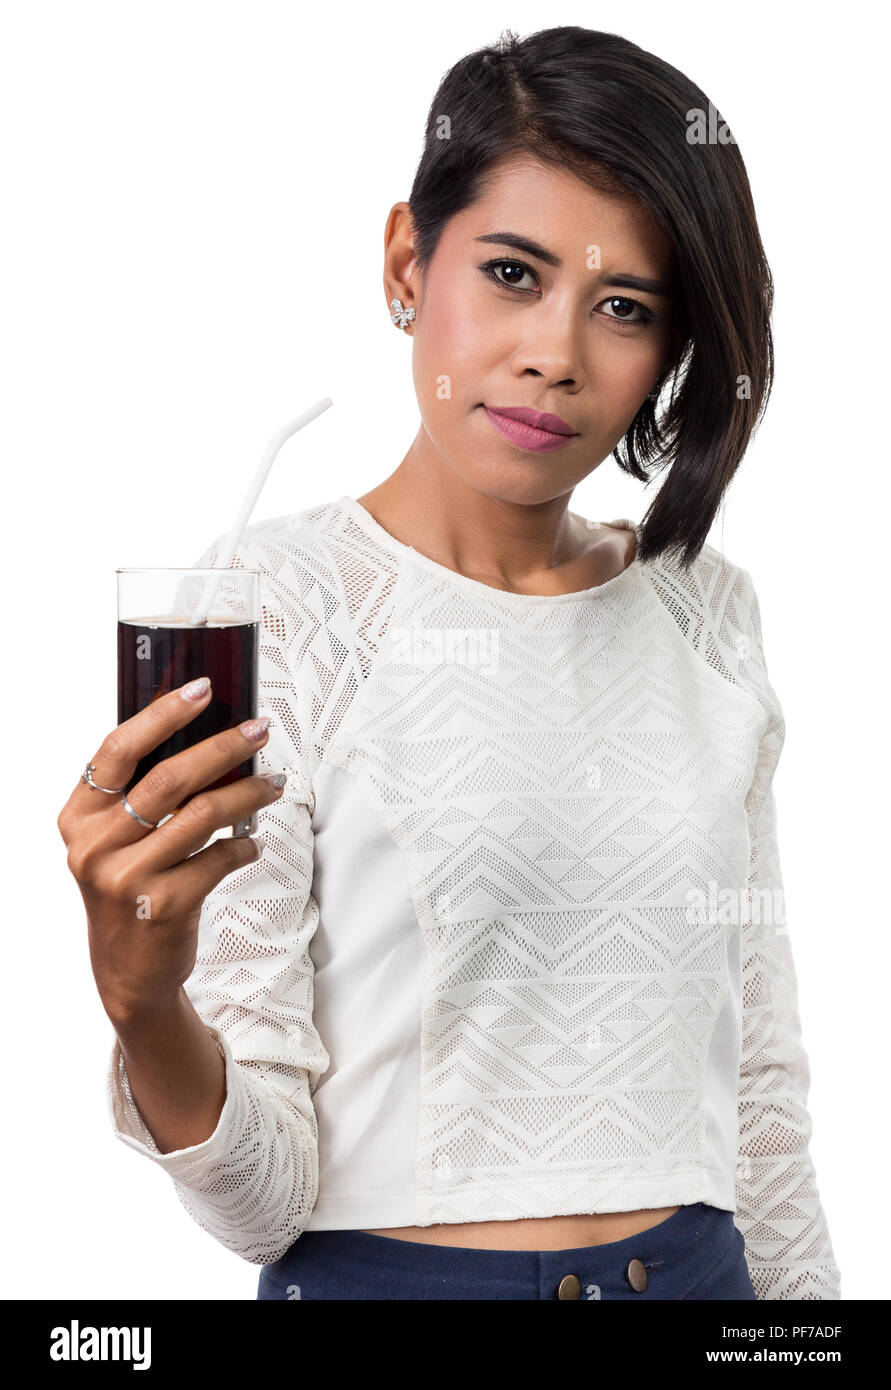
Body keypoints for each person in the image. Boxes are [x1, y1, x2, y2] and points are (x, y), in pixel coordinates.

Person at [58, 25, 841, 1301]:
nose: (557, 356)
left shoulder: (707, 612)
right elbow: (264, 1208)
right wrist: (145, 1004)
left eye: (625, 307)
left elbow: (761, 1087)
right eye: (514, 274)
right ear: (407, 262)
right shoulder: (264, 608)